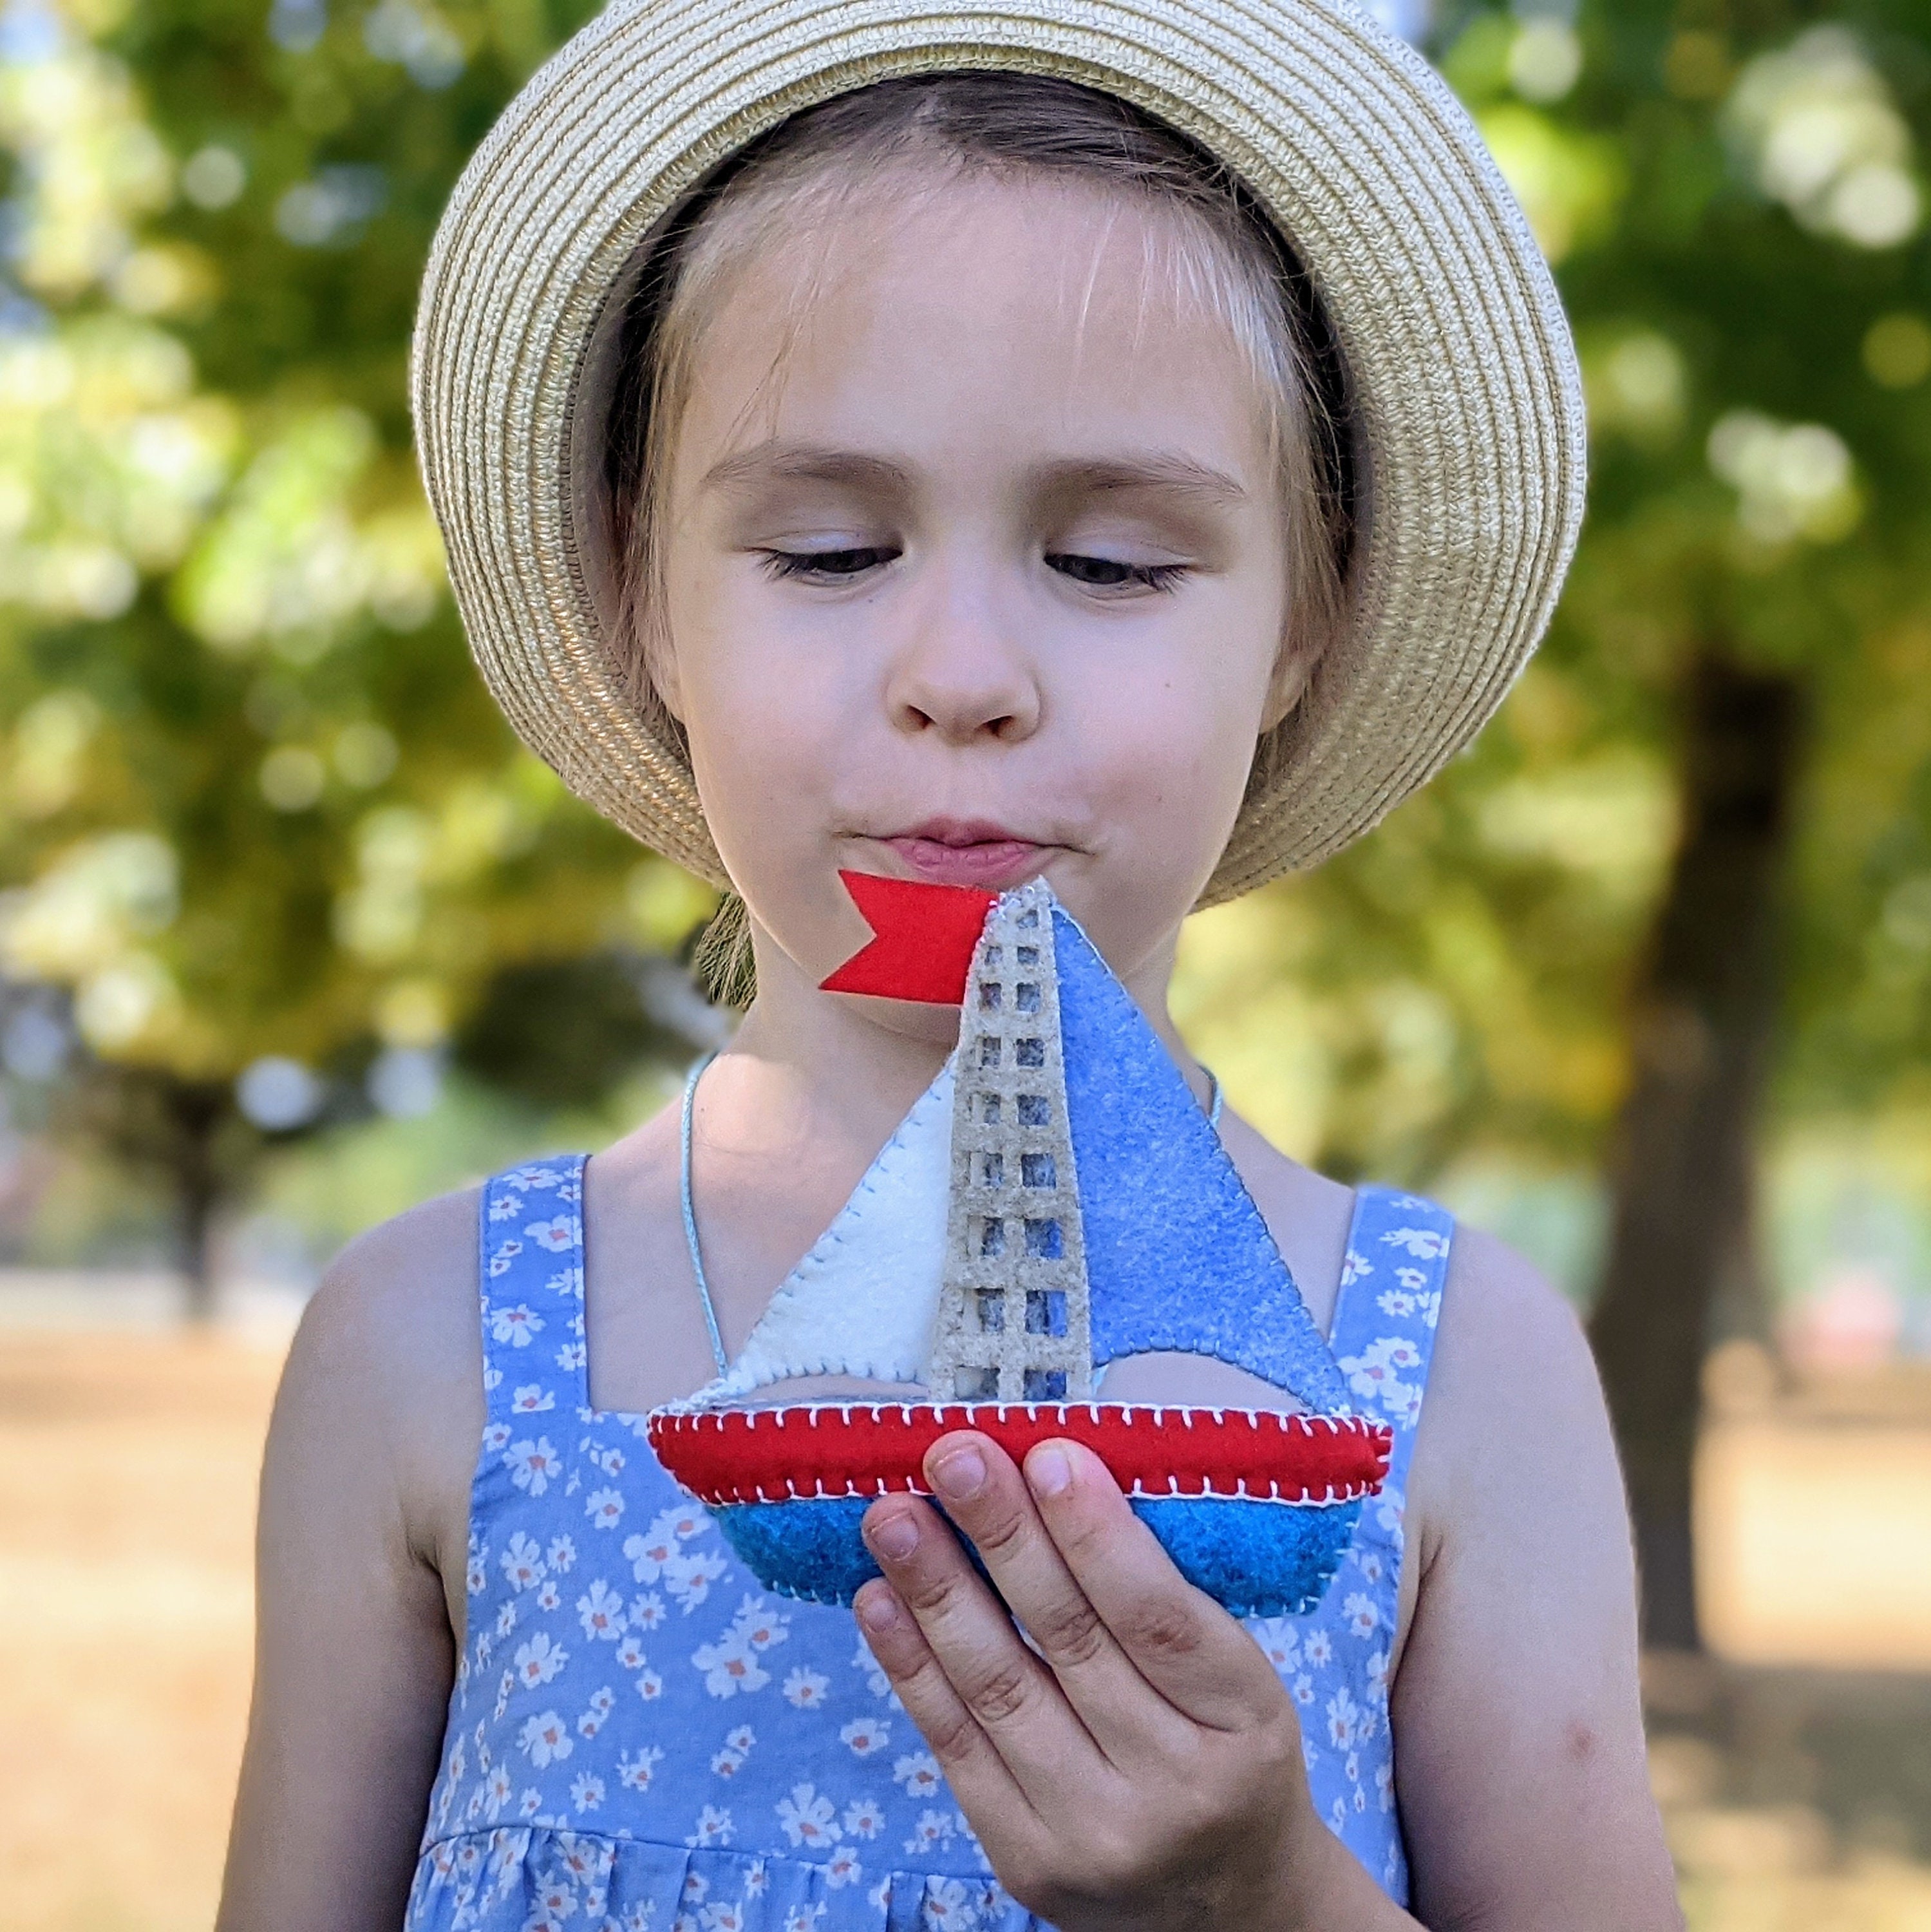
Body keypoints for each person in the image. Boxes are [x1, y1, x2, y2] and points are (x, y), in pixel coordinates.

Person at [218, 3, 1682, 1927]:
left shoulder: (1456, 1374)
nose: (965, 680)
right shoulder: (423, 1354)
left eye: (1113, 565)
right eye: (828, 550)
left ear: (1302, 622)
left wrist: (1270, 1897)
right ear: (644, 590)